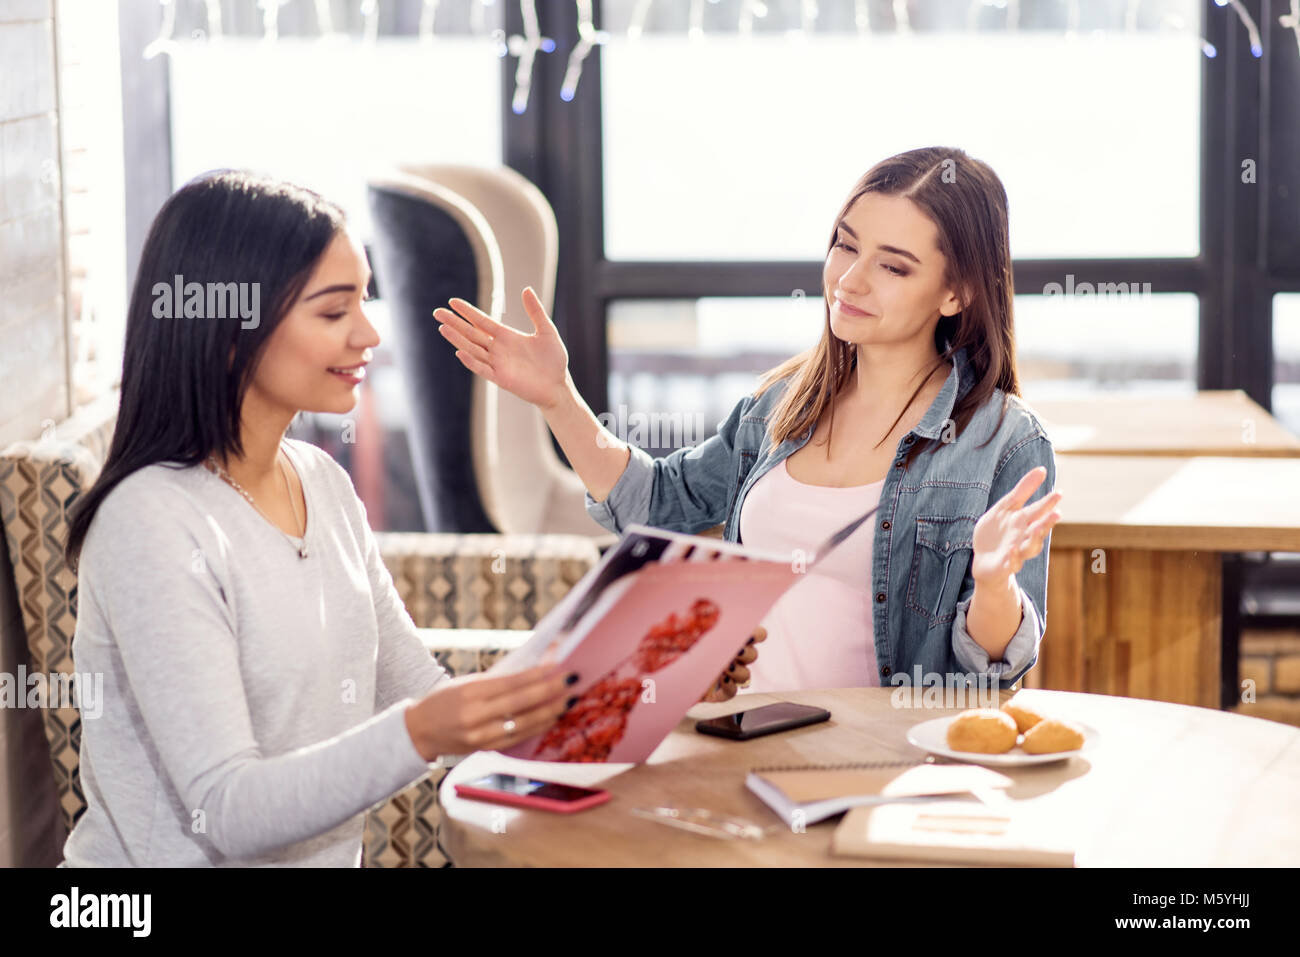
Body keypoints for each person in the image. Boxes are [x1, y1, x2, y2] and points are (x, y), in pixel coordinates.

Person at [60, 171, 577, 866]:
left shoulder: (323, 484)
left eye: (364, 302)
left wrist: (637, 671)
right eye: (334, 312)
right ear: (231, 329)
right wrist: (421, 732)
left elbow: (420, 690)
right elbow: (229, 806)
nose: (368, 333)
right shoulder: (151, 524)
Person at [434, 146, 1062, 696]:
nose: (850, 278)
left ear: (956, 294)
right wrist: (557, 398)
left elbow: (989, 674)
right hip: (741, 744)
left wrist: (992, 582)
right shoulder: (785, 403)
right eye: (845, 244)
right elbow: (655, 503)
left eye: (892, 266)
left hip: (879, 767)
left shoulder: (1002, 441)